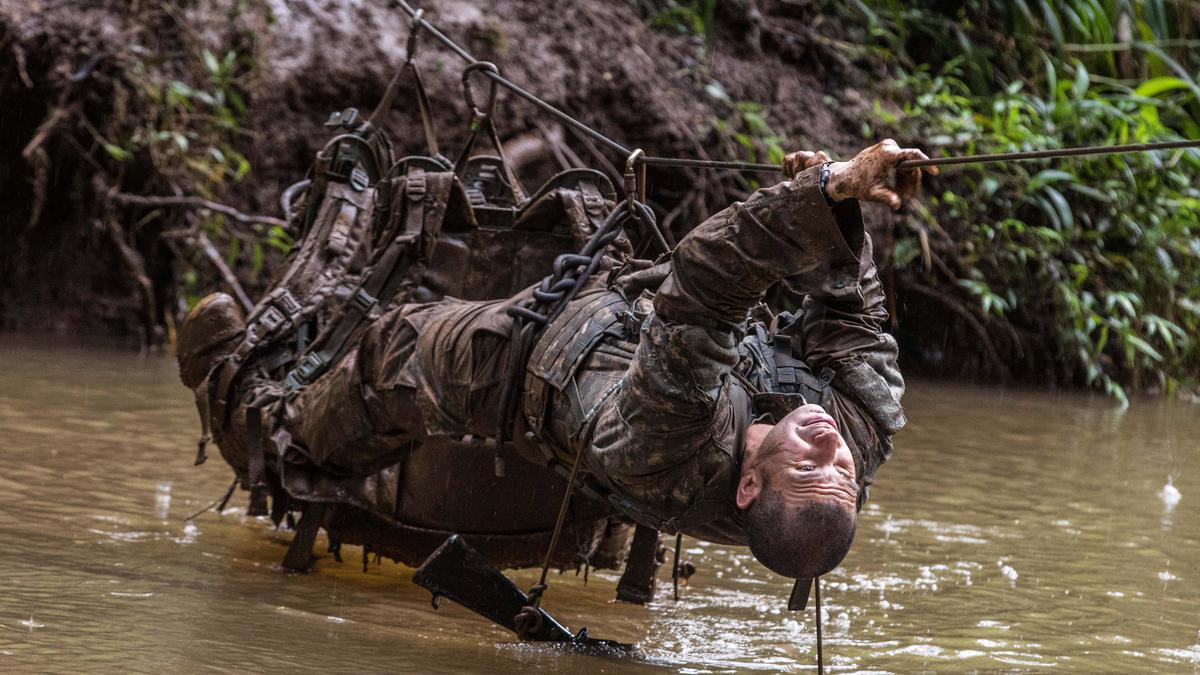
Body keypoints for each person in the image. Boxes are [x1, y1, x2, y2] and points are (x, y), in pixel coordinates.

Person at [179, 139, 936, 580]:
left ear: (746, 484)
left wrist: (820, 190)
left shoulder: (670, 445)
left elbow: (705, 282)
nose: (830, 446)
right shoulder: (860, 433)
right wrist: (831, 207)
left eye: (809, 465)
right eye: (840, 471)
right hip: (629, 334)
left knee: (390, 351)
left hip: (531, 363)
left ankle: (271, 435)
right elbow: (854, 310)